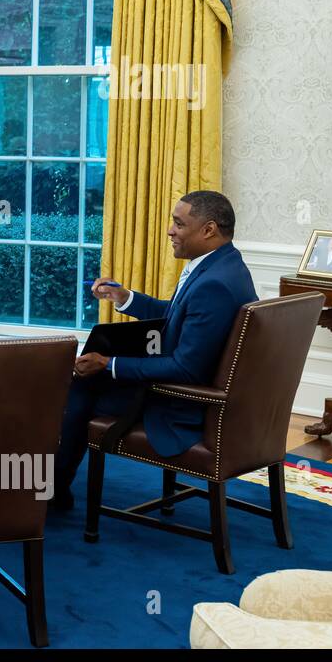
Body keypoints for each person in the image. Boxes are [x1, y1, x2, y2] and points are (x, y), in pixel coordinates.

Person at [53, 190, 258, 510]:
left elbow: (185, 368)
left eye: (179, 223)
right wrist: (125, 299)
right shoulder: (224, 266)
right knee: (87, 380)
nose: (170, 231)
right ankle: (55, 486)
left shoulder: (212, 285)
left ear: (209, 230)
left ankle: (51, 491)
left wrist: (109, 364)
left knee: (81, 387)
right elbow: (178, 315)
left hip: (185, 407)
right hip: (206, 393)